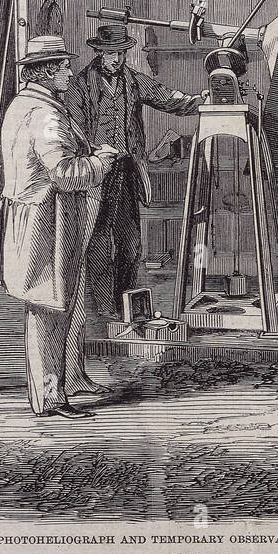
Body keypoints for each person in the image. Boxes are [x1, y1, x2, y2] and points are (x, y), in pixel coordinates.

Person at [0, 36, 118, 419]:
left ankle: (69, 379)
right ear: (45, 71)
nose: (69, 72)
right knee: (47, 310)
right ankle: (50, 398)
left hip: (32, 215)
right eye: (62, 67)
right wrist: (101, 163)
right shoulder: (45, 114)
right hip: (45, 220)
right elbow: (63, 173)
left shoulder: (23, 104)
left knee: (61, 305)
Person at [64, 23, 204, 337]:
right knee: (99, 244)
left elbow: (166, 97)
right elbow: (74, 131)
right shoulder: (80, 85)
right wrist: (93, 156)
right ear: (99, 51)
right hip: (96, 174)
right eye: (111, 53)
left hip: (127, 171)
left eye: (121, 53)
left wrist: (200, 100)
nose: (116, 59)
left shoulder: (131, 80)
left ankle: (127, 306)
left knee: (130, 245)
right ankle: (103, 311)